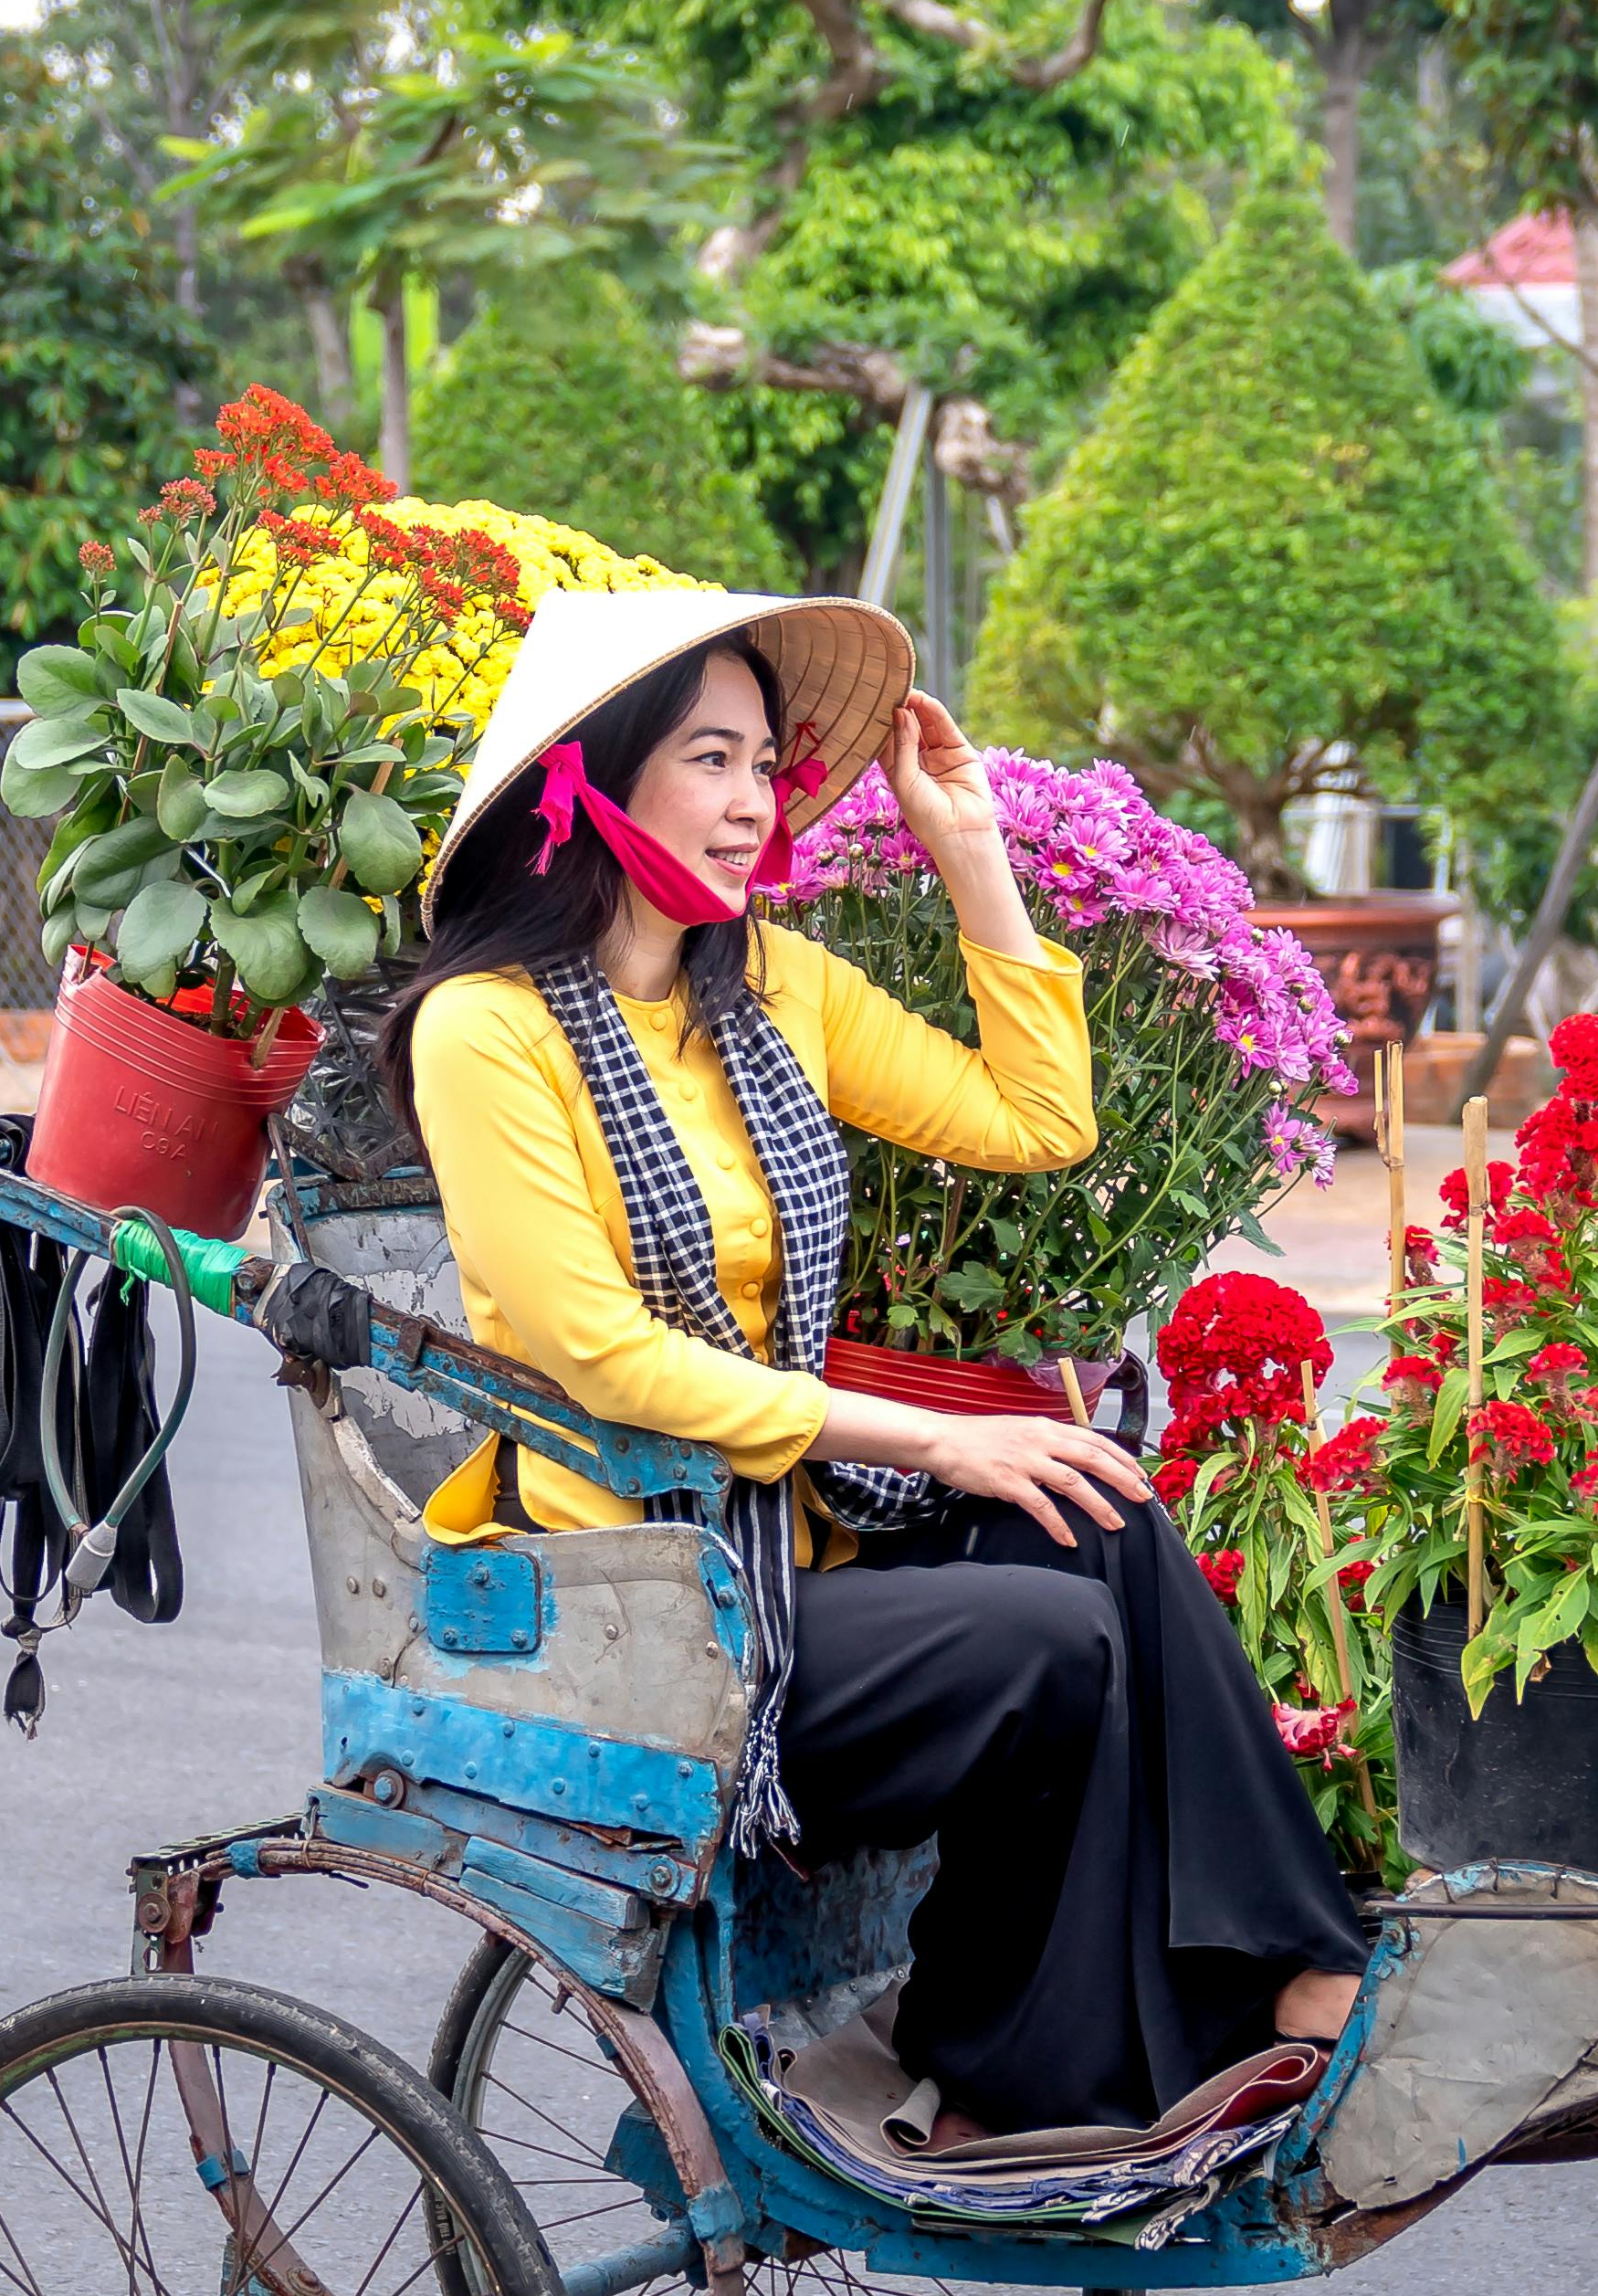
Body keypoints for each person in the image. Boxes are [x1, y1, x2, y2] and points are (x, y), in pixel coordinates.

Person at [390, 586, 1365, 2153]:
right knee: (1050, 1635)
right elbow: (601, 1352)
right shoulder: (485, 1032)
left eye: (765, 765)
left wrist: (970, 852)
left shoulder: (764, 990)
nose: (751, 802)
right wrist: (933, 1441)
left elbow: (1038, 1122)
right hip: (639, 1586)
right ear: (589, 779)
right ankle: (1019, 2053)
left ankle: (1278, 1968)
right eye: (711, 760)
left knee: (1096, 1514)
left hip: (797, 1533)